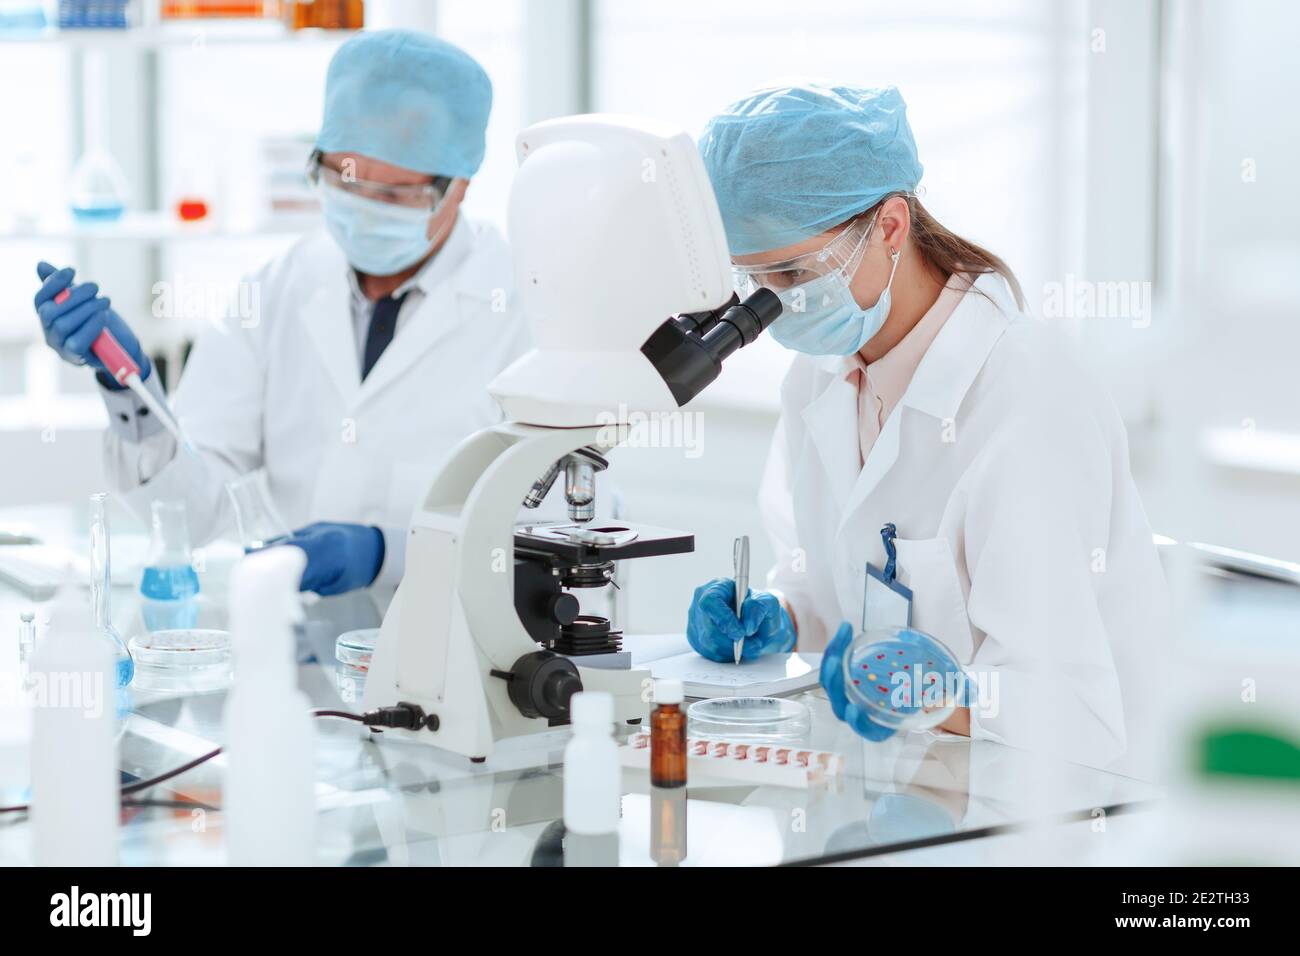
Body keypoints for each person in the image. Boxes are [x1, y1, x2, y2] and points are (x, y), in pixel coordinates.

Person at [685, 82, 1168, 773]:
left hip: (1059, 803)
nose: (777, 307)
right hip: (908, 786)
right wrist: (782, 618)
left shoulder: (1029, 399)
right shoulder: (821, 374)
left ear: (889, 226)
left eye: (793, 272)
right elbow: (836, 598)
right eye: (754, 279)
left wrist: (936, 694)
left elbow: (1075, 709)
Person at [33, 30, 527, 601]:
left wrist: (385, 552)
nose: (362, 208)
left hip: (458, 654)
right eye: (344, 181)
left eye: (391, 196)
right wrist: (131, 390)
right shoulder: (275, 290)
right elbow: (192, 515)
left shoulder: (522, 308)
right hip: (298, 653)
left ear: (459, 187)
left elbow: (557, 538)